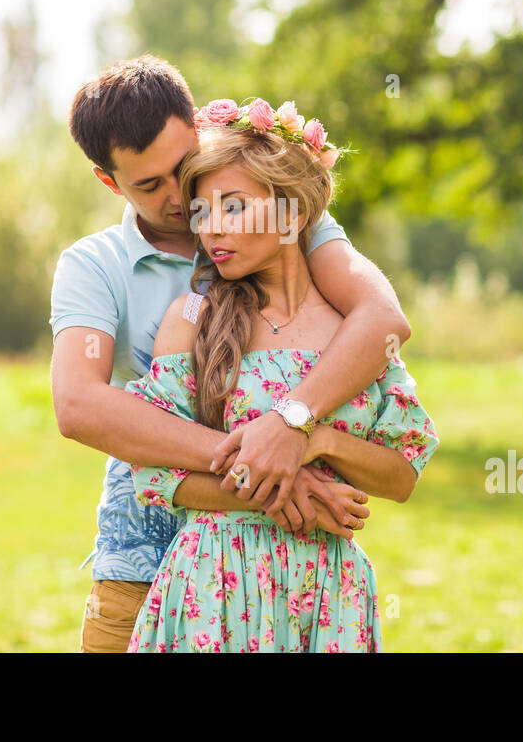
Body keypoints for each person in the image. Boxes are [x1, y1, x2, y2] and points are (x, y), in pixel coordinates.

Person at [49, 55, 414, 652]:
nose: (178, 198)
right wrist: (268, 472)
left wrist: (291, 427)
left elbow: (382, 320)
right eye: (149, 185)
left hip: (285, 563)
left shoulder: (273, 215)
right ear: (109, 182)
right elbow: (80, 406)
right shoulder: (94, 266)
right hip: (142, 551)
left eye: (181, 168)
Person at [123, 100, 438, 652]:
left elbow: (402, 476)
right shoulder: (193, 320)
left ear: (291, 214)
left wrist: (314, 437)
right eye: (202, 212)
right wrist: (289, 492)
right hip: (214, 586)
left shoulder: (354, 333)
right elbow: (154, 475)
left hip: (328, 594)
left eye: (235, 207)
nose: (212, 228)